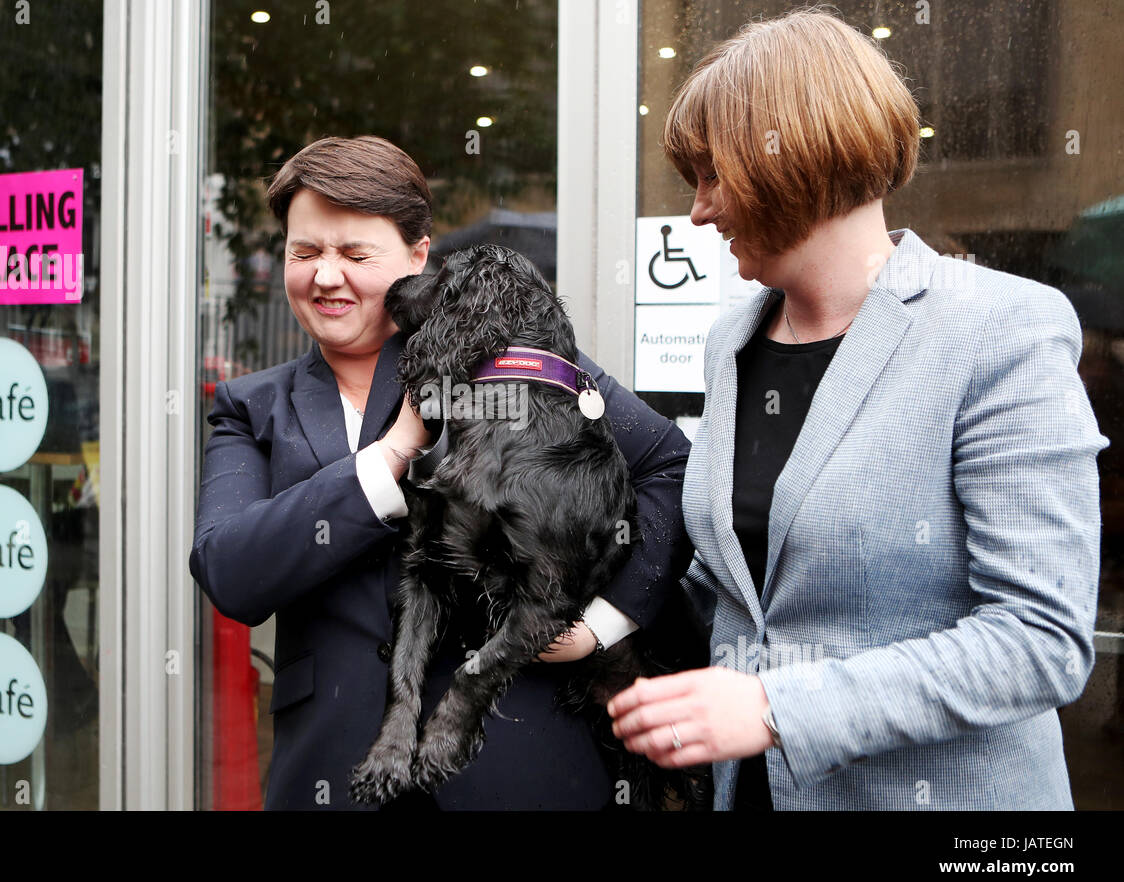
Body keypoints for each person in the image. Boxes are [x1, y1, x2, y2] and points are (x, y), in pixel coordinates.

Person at [608, 7, 1109, 810]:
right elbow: (735, 584)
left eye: (712, 175)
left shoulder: (999, 328)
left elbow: (1039, 641)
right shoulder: (733, 340)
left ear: (795, 156)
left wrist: (777, 708)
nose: (699, 211)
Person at [189, 135, 694, 810]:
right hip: (333, 770)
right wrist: (395, 450)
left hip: (520, 763)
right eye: (305, 252)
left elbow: (668, 462)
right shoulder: (251, 408)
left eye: (355, 254)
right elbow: (230, 569)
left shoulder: (511, 356)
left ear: (417, 256)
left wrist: (604, 622)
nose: (325, 275)